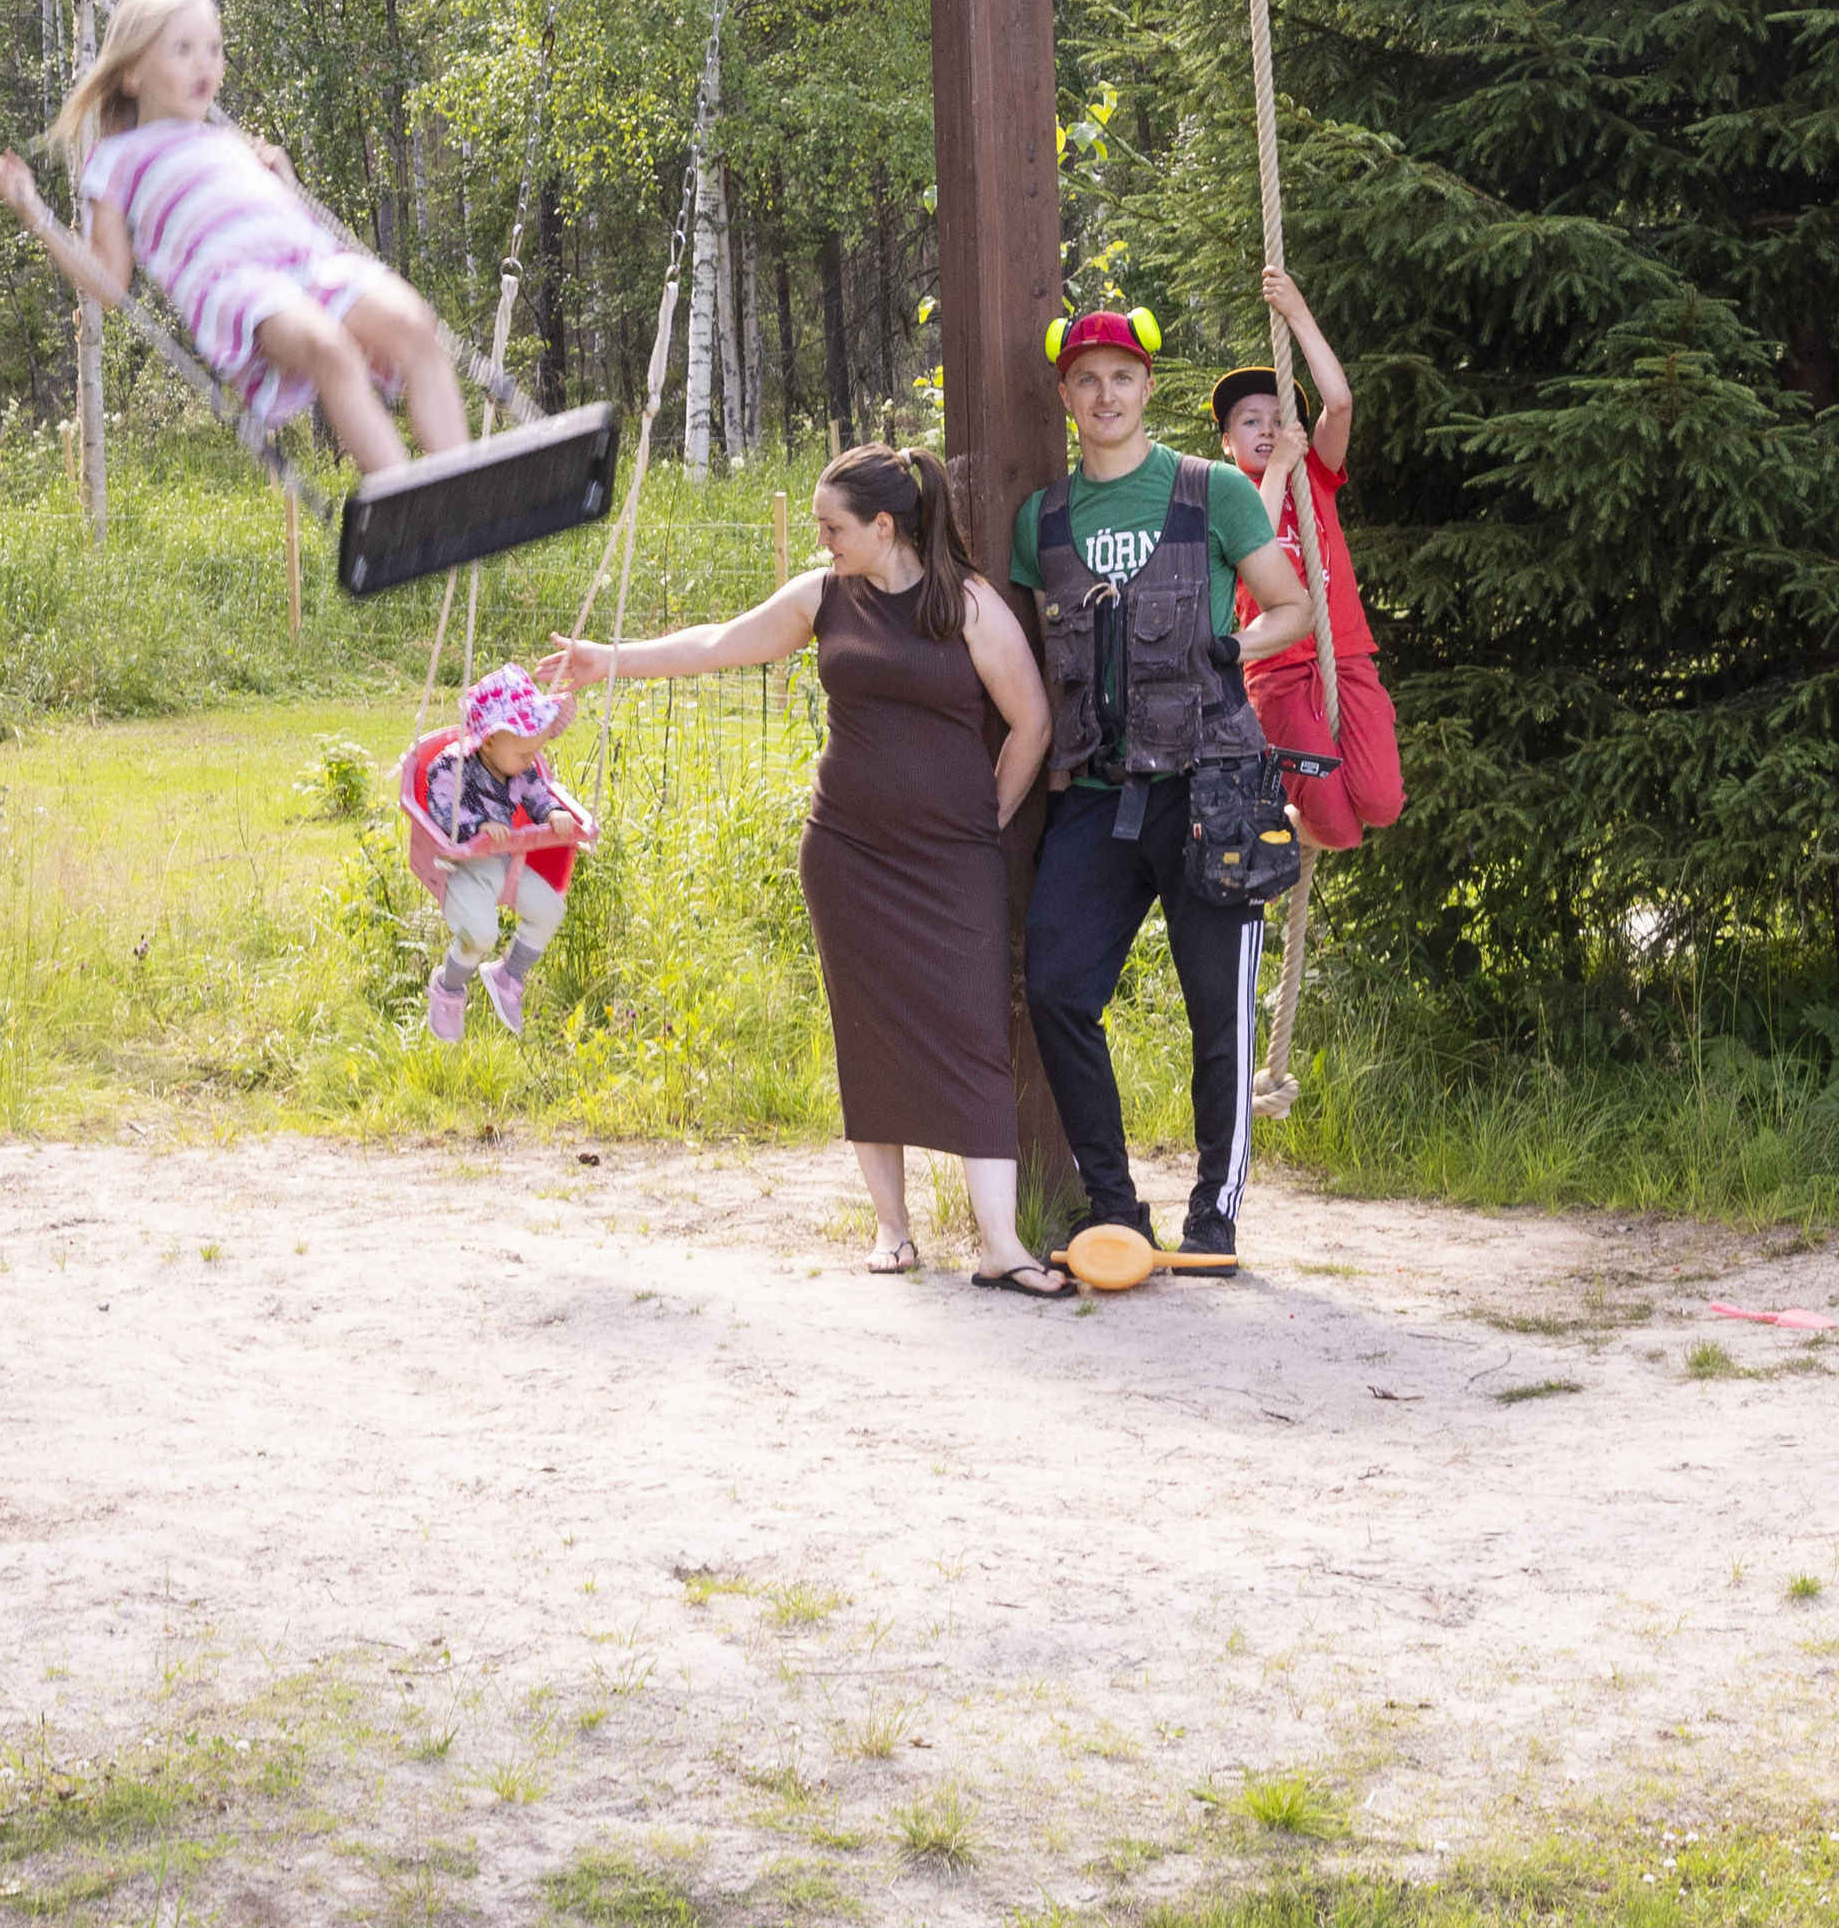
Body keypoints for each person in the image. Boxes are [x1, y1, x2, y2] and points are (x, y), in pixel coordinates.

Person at [543, 444, 1072, 1295]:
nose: (822, 540)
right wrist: (609, 659)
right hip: (847, 855)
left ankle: (1002, 1245)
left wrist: (984, 822)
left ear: (883, 525)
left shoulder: (965, 604)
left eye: (833, 527)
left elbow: (1032, 724)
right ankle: (893, 1230)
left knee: (975, 1029)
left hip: (954, 864)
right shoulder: (825, 598)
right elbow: (719, 643)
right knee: (863, 1032)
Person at [1009, 310, 1316, 1266]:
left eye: (1122, 378)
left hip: (1210, 793)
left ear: (1148, 388)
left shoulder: (1212, 491)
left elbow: (1292, 607)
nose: (1105, 395)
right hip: (1096, 795)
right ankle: (1115, 1208)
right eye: (1087, 379)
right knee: (1056, 987)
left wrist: (1236, 644)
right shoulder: (1042, 522)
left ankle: (1213, 1218)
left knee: (1217, 1012)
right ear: (1066, 396)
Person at [0, 0, 466, 475]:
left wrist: (284, 180)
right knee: (331, 350)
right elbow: (108, 282)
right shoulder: (116, 158)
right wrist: (33, 212)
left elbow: (259, 210)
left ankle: (464, 493)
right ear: (132, 75)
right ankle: (402, 496)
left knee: (416, 326)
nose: (204, 64)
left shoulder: (226, 139)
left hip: (309, 259)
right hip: (240, 287)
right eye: (183, 49)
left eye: (213, 49)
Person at [1212, 266, 1403, 850]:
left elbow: (1339, 402)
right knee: (1341, 834)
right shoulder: (1223, 489)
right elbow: (1256, 543)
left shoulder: (1314, 473)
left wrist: (1296, 312)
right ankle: (1293, 803)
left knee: (1382, 803)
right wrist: (1275, 469)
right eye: (1250, 422)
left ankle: (1308, 793)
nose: (1267, 430)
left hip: (1343, 654)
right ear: (1226, 441)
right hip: (1279, 672)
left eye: (1278, 420)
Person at [414, 665, 591, 1040]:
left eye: (536, 750)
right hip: (462, 867)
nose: (532, 759)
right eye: (525, 750)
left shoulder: (520, 769)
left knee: (549, 910)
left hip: (505, 861)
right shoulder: (451, 766)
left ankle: (508, 976)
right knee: (479, 934)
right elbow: (439, 807)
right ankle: (448, 990)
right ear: (490, 741)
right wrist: (476, 825)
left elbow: (539, 792)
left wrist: (554, 812)